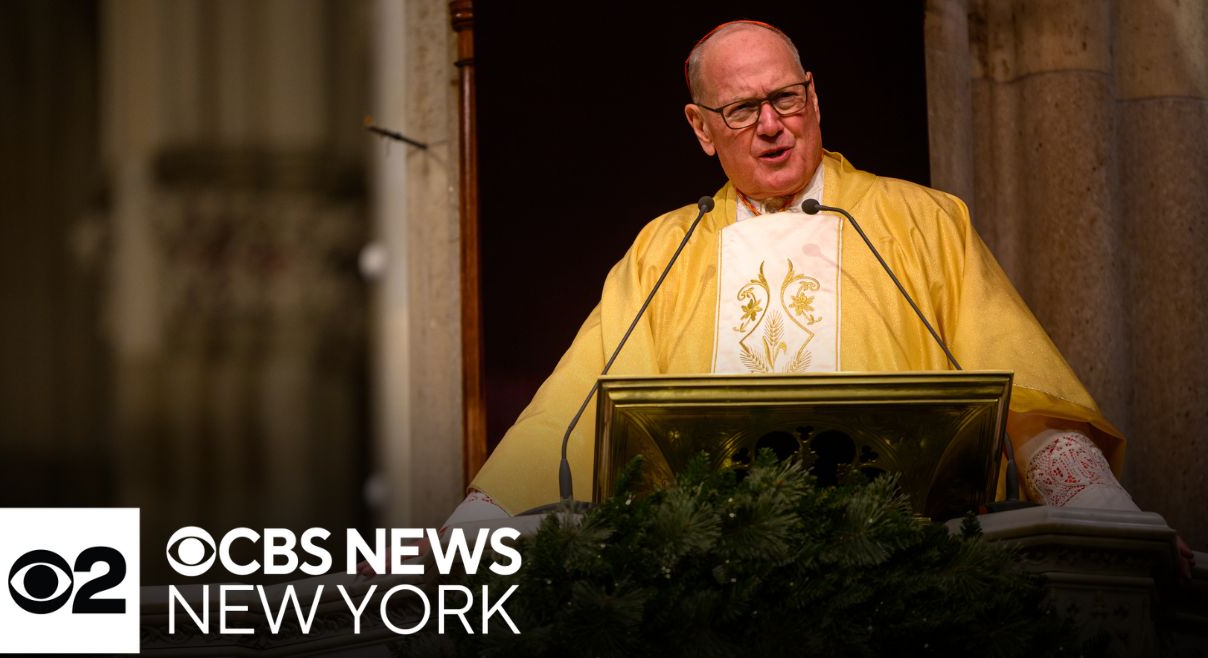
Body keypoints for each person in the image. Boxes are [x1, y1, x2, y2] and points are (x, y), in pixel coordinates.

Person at [450, 21, 1161, 543]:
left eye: (786, 98)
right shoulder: (664, 250)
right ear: (702, 129)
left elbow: (1026, 394)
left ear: (813, 96)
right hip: (712, 574)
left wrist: (1110, 518)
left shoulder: (923, 220)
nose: (771, 126)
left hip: (908, 560)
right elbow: (572, 413)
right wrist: (464, 532)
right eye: (741, 110)